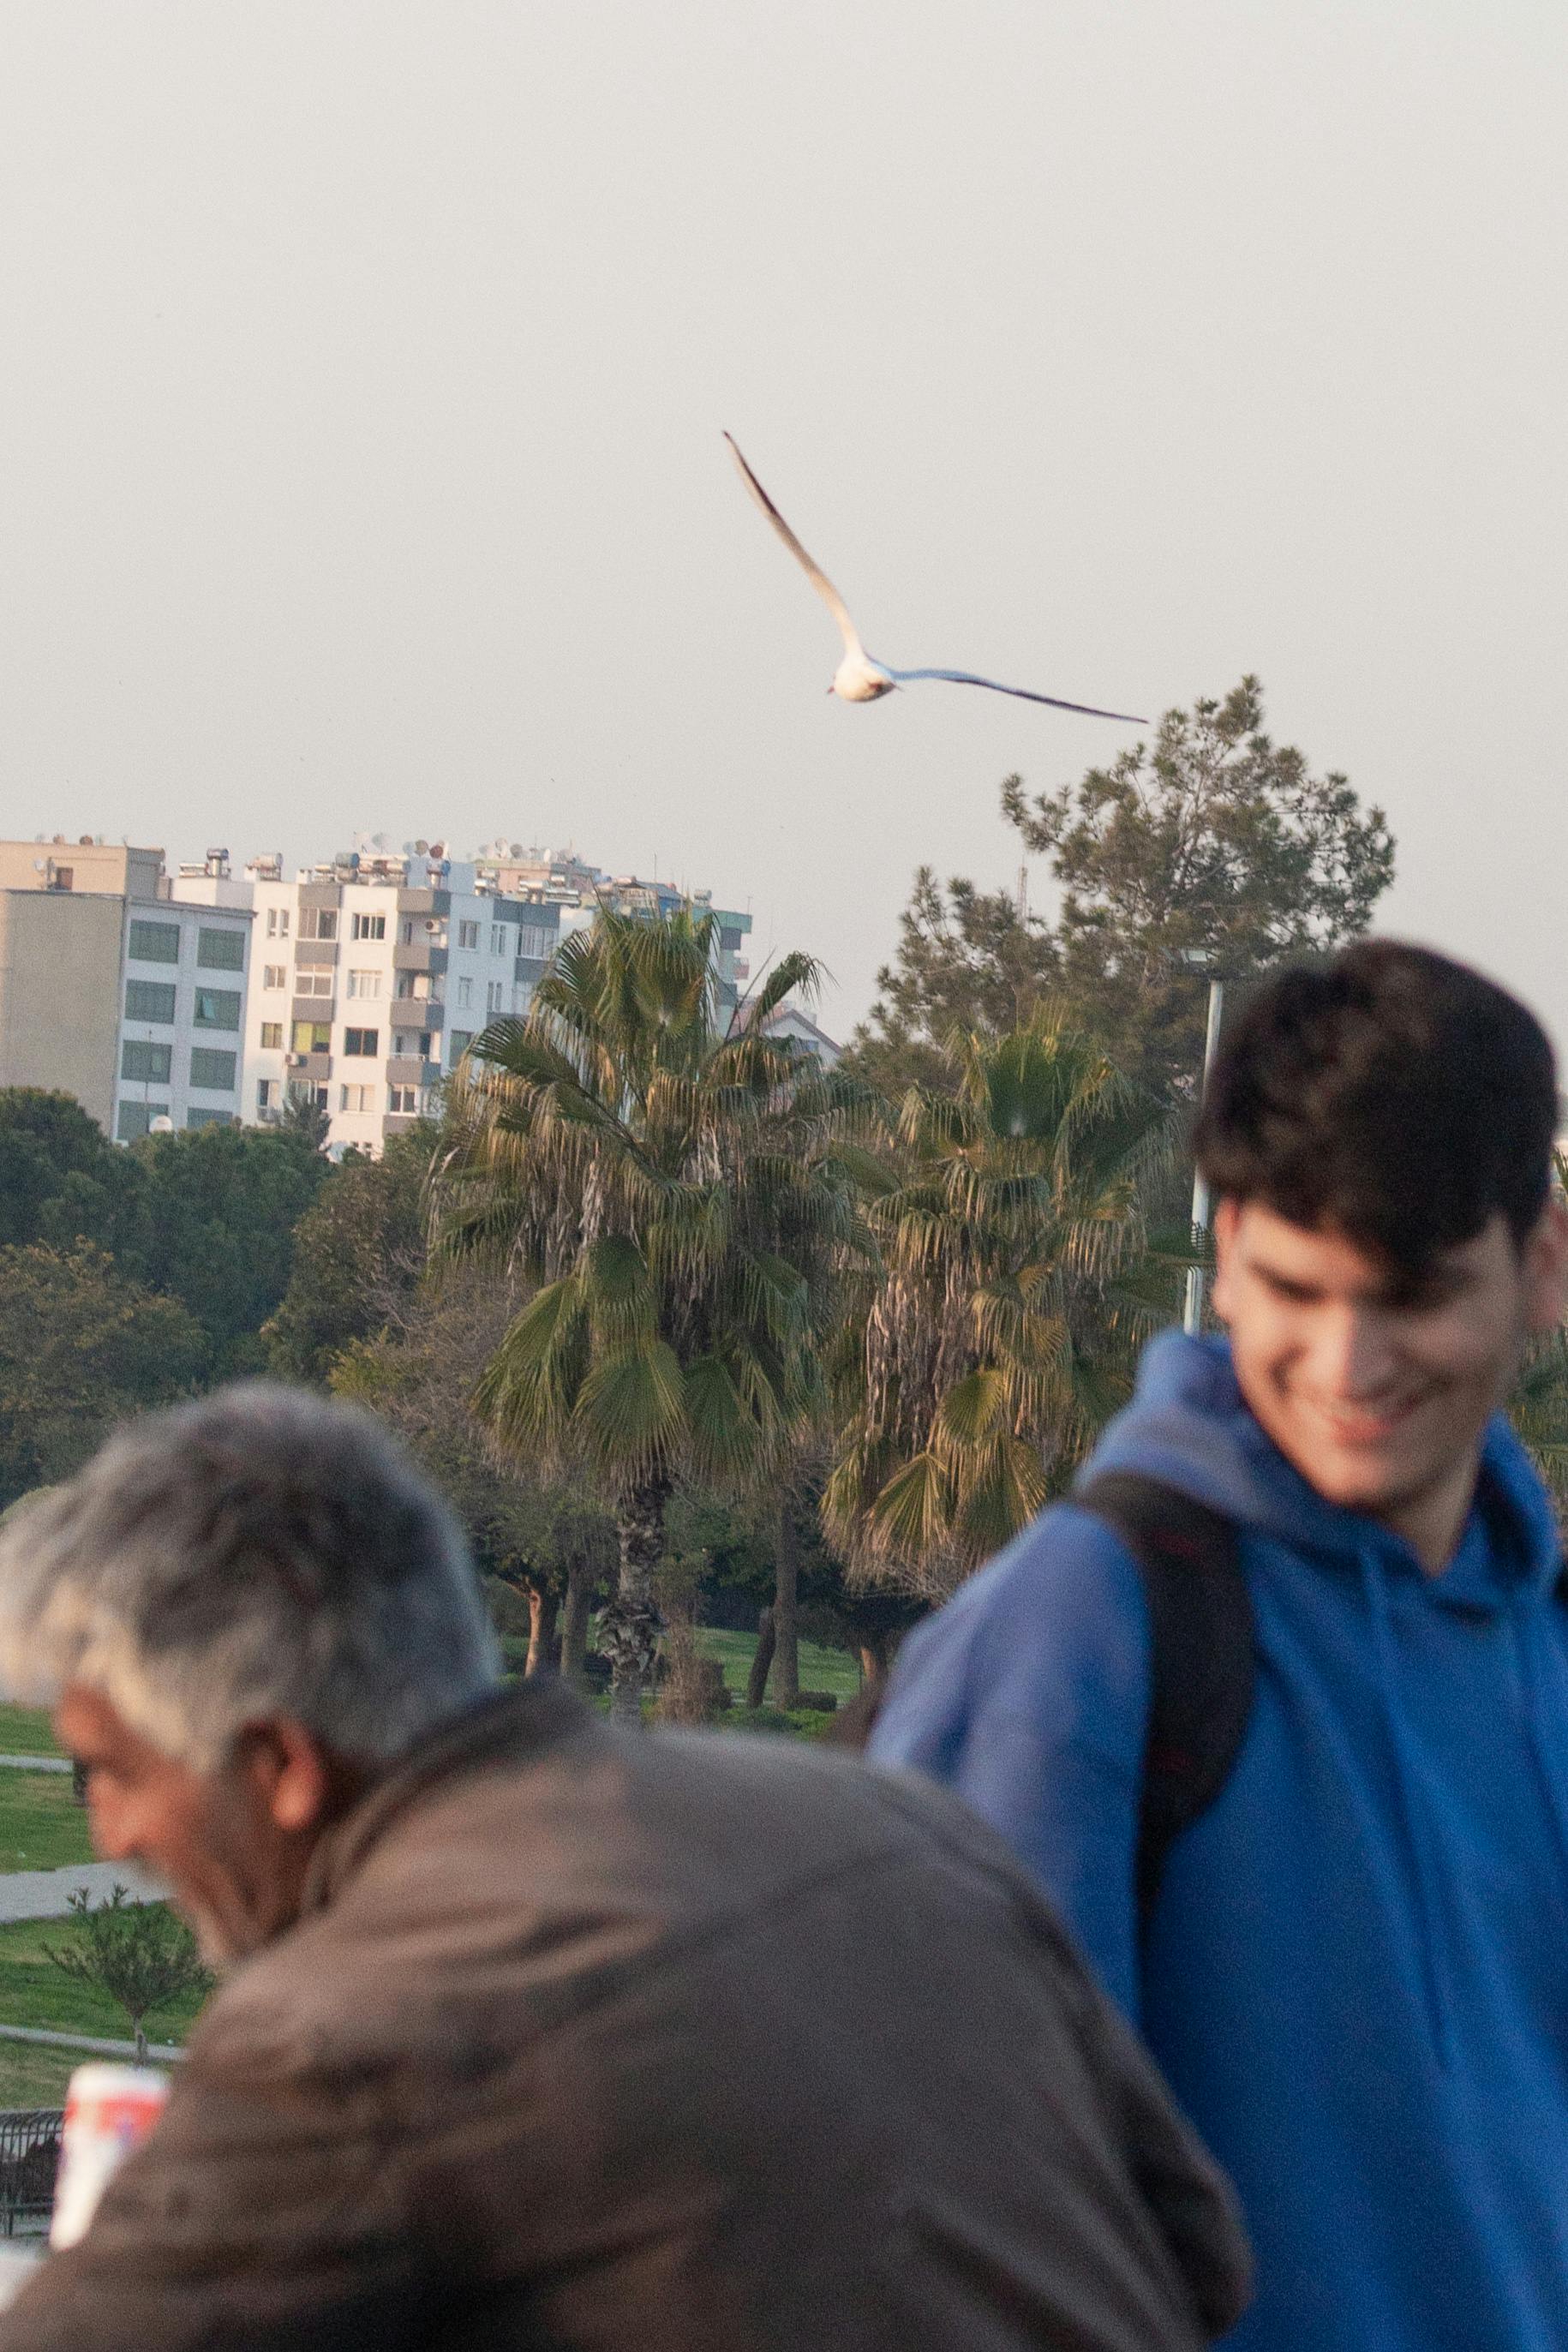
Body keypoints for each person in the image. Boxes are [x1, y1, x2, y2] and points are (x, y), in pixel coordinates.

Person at [0, 1385, 1248, 2352]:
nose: (109, 1833)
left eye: (108, 1770)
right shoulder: (899, 1825)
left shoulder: (345, 2033)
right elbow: (1202, 2257)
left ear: (278, 1762)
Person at [871, 939, 1568, 2352]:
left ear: (1542, 1262)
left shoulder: (1541, 1639)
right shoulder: (1090, 1628)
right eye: (1297, 1290)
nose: (1347, 1364)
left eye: (1411, 1297)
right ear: (1229, 1251)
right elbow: (949, 2210)